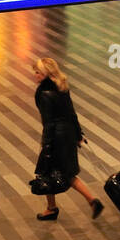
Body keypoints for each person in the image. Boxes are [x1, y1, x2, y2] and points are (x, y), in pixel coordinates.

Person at [30, 57, 104, 222]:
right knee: (63, 172)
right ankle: (58, 207)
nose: (35, 75)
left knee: (46, 171)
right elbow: (72, 113)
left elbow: (48, 123)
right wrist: (78, 135)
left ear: (46, 73)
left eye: (37, 72)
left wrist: (46, 145)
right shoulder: (61, 86)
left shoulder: (44, 93)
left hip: (56, 137)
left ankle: (85, 202)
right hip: (68, 134)